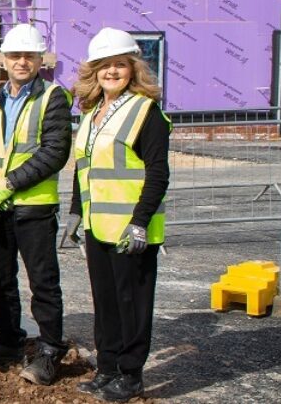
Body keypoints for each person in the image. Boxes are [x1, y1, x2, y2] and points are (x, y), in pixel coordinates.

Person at [64, 27, 169, 402]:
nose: (112, 72)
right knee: (105, 302)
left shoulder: (145, 112)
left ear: (133, 68)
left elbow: (158, 172)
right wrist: (77, 215)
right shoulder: (93, 112)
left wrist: (140, 221)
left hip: (131, 229)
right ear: (93, 71)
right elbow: (85, 167)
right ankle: (107, 368)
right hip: (99, 226)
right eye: (104, 65)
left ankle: (131, 374)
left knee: (132, 305)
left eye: (120, 65)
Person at [0, 24, 72, 385]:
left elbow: (55, 151)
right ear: (4, 59)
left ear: (40, 59)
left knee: (43, 283)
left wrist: (10, 183)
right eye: (15, 55)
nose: (22, 61)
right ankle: (9, 340)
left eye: (29, 55)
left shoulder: (53, 97)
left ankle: (49, 351)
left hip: (34, 206)